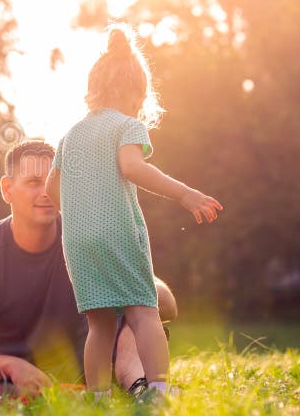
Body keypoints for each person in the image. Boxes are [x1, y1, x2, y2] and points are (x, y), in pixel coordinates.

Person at [45, 24, 223, 400]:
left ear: (93, 88)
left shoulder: (70, 134)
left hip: (76, 241)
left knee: (99, 323)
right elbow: (133, 168)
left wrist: (79, 214)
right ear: (134, 93)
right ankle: (158, 389)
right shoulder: (128, 125)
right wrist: (184, 193)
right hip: (116, 233)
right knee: (144, 312)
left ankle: (97, 396)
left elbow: (51, 188)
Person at [0, 140, 178, 399]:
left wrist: (142, 297)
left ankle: (139, 389)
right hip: (6, 371)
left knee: (132, 325)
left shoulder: (87, 237)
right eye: (33, 182)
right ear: (7, 189)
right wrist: (12, 366)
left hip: (86, 365)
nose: (46, 192)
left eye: (54, 182)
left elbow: (165, 302)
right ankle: (35, 394)